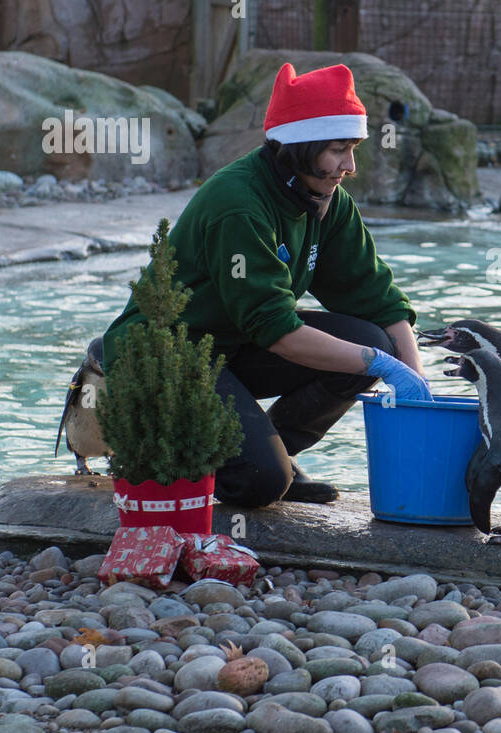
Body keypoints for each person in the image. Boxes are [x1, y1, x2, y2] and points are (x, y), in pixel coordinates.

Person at [100, 62, 432, 507]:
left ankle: (271, 446)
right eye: (338, 150)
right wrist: (380, 366)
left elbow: (379, 301)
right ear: (298, 147)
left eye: (353, 149)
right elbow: (277, 331)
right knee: (260, 483)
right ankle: (215, 447)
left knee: (374, 342)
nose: (349, 166)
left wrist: (415, 382)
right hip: (171, 350)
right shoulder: (240, 205)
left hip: (233, 347)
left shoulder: (326, 202)